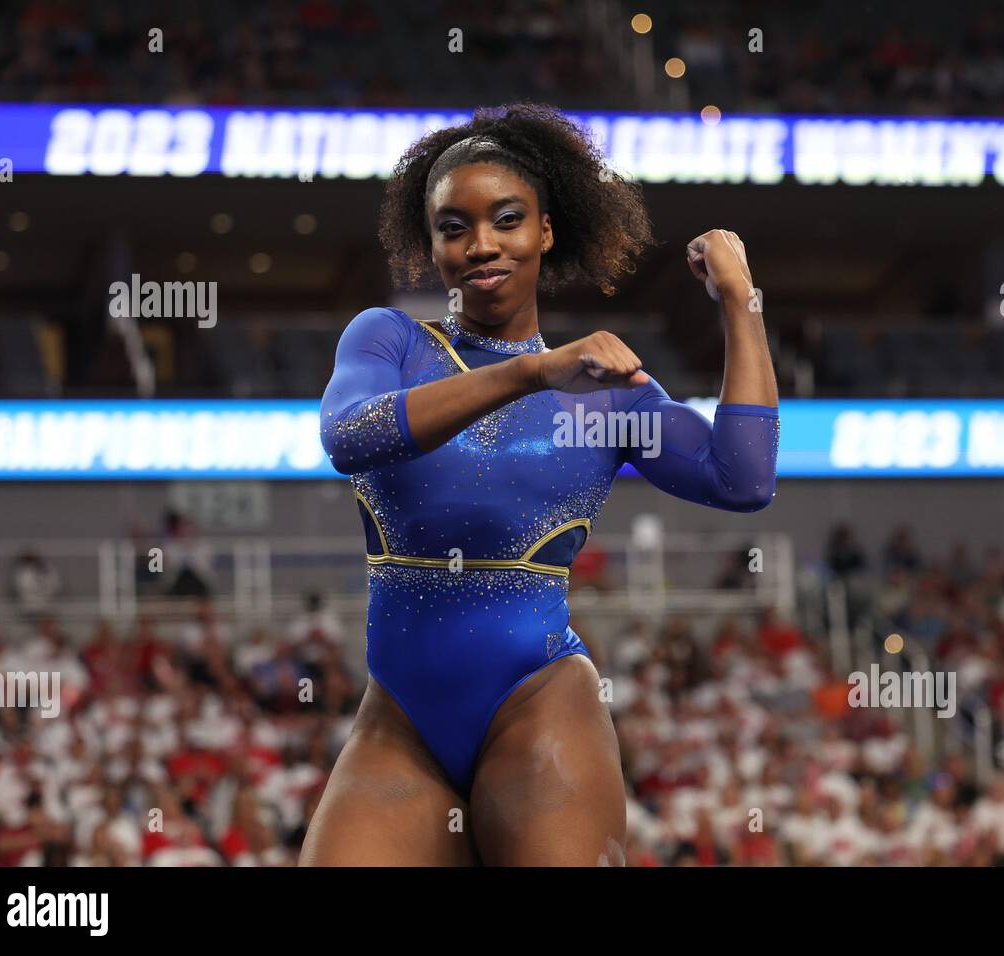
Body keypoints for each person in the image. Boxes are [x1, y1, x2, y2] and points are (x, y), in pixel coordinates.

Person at [300, 103, 779, 866]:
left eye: (507, 219)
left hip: (539, 702)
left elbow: (743, 478)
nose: (480, 244)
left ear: (546, 232)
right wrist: (530, 371)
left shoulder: (605, 395)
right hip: (399, 721)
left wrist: (739, 303)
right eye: (454, 226)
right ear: (431, 244)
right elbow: (349, 435)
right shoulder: (387, 339)